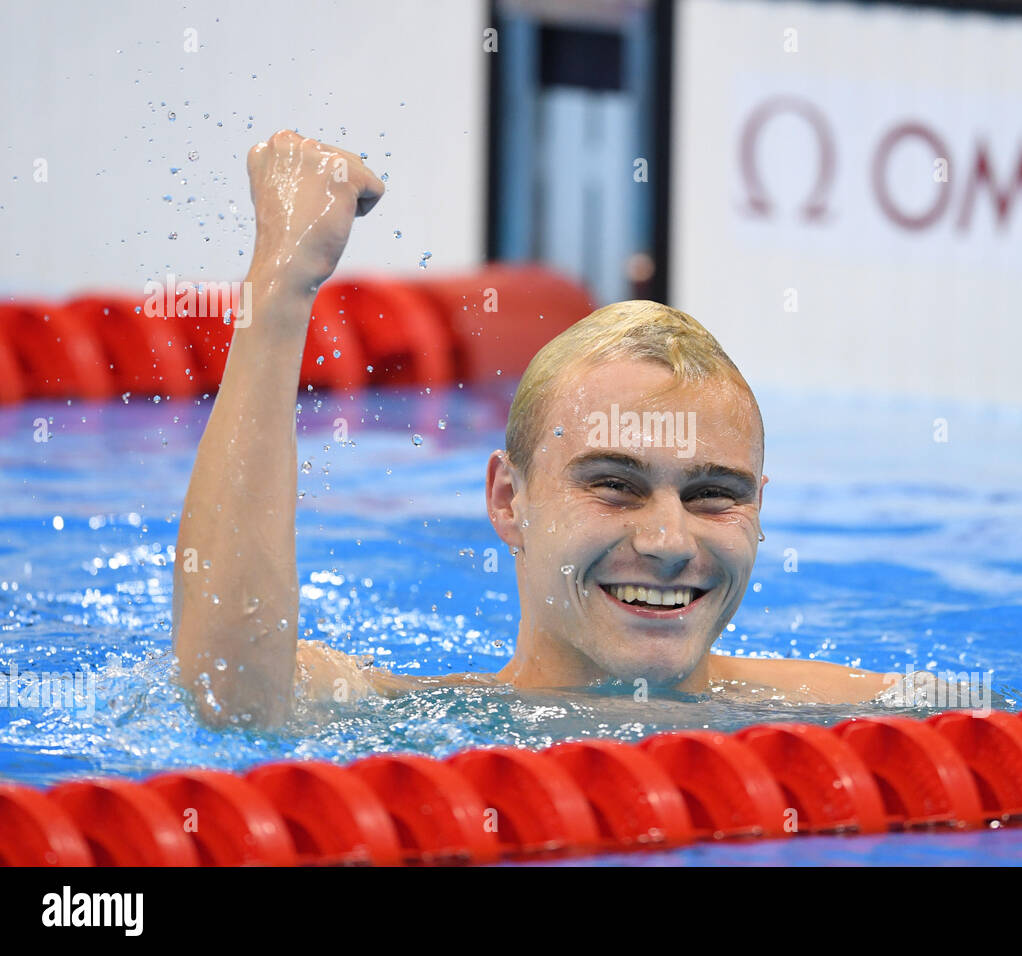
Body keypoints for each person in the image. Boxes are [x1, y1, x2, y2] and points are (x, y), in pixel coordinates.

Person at [172, 130, 899, 728]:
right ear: (507, 499)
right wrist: (281, 284)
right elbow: (233, 699)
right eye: (614, 485)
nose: (670, 544)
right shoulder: (418, 719)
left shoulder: (838, 716)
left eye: (714, 494)